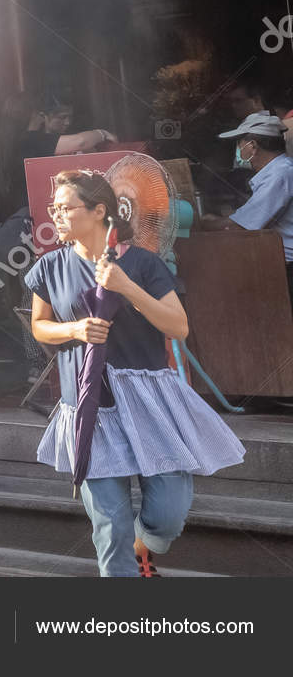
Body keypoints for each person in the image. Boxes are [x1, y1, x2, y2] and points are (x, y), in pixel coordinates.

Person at [29, 170, 244, 577]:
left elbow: (177, 327)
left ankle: (145, 544)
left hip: (150, 398)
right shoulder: (49, 267)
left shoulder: (144, 264)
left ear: (99, 210)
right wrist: (73, 329)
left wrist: (128, 288)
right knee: (110, 526)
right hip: (90, 402)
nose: (55, 215)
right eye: (53, 208)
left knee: (168, 511)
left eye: (65, 208)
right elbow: (40, 326)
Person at [199, 111, 293, 313]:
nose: (238, 149)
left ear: (252, 146)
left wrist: (205, 225)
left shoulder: (280, 174)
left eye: (240, 143)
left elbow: (244, 224)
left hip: (288, 269)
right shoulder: (279, 171)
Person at [0, 92, 115, 218]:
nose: (67, 122)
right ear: (34, 114)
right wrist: (102, 133)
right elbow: (80, 142)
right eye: (39, 112)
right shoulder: (31, 140)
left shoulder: (13, 140)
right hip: (32, 214)